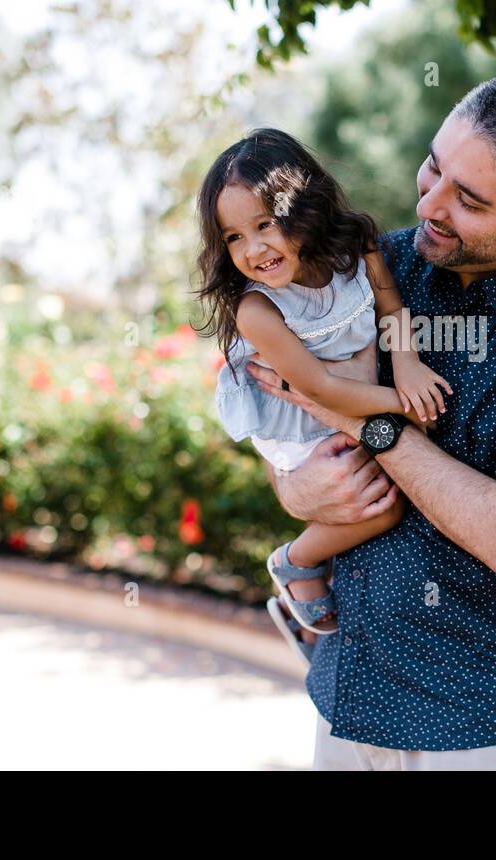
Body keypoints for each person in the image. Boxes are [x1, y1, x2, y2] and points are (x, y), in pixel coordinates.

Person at [247, 72, 496, 770]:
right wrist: (297, 490)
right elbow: (293, 432)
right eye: (434, 166)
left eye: (469, 200)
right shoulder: (381, 266)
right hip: (350, 695)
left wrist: (369, 423)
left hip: (481, 720)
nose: (430, 202)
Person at [195, 128, 449, 638]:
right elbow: (317, 389)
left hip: (349, 397)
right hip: (300, 420)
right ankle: (294, 563)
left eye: (264, 224)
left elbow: (391, 307)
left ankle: (312, 613)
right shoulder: (257, 309)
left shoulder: (358, 245)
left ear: (302, 207)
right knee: (384, 504)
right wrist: (402, 405)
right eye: (234, 237)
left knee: (396, 473)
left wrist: (408, 366)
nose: (254, 248)